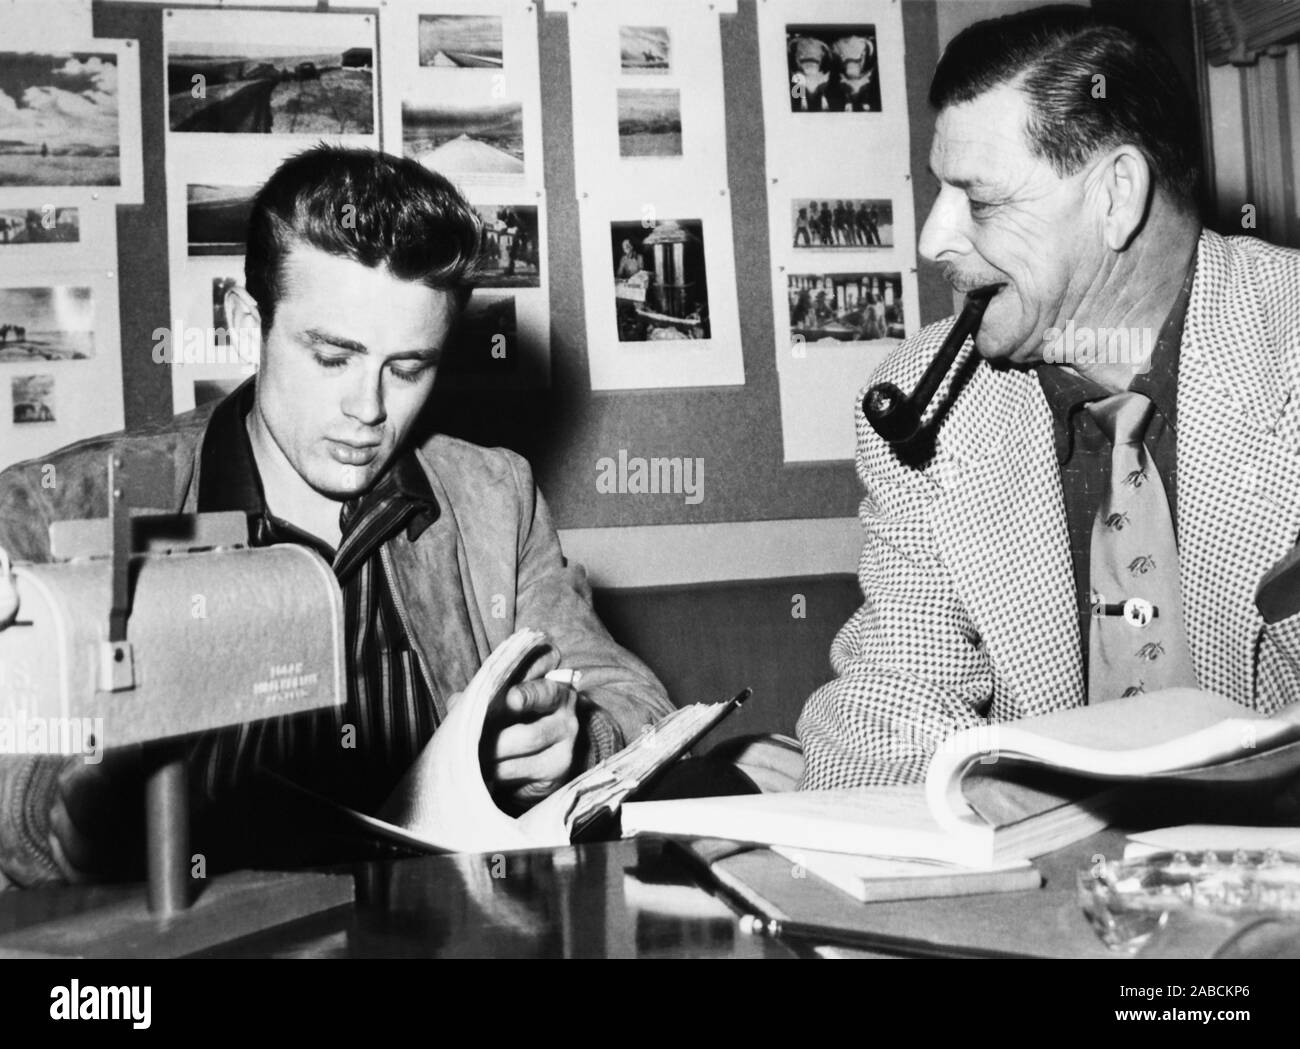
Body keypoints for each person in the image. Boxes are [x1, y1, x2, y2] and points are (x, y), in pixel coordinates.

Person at [0, 146, 675, 886]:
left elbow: (640, 705)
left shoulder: (495, 496)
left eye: (409, 367)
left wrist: (578, 741)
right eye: (332, 357)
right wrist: (55, 812)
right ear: (242, 318)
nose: (370, 409)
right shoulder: (58, 505)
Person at [798, 8, 1300, 788]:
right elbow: (887, 705)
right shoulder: (930, 405)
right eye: (941, 193)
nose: (934, 240)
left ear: (1116, 196)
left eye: (981, 201)